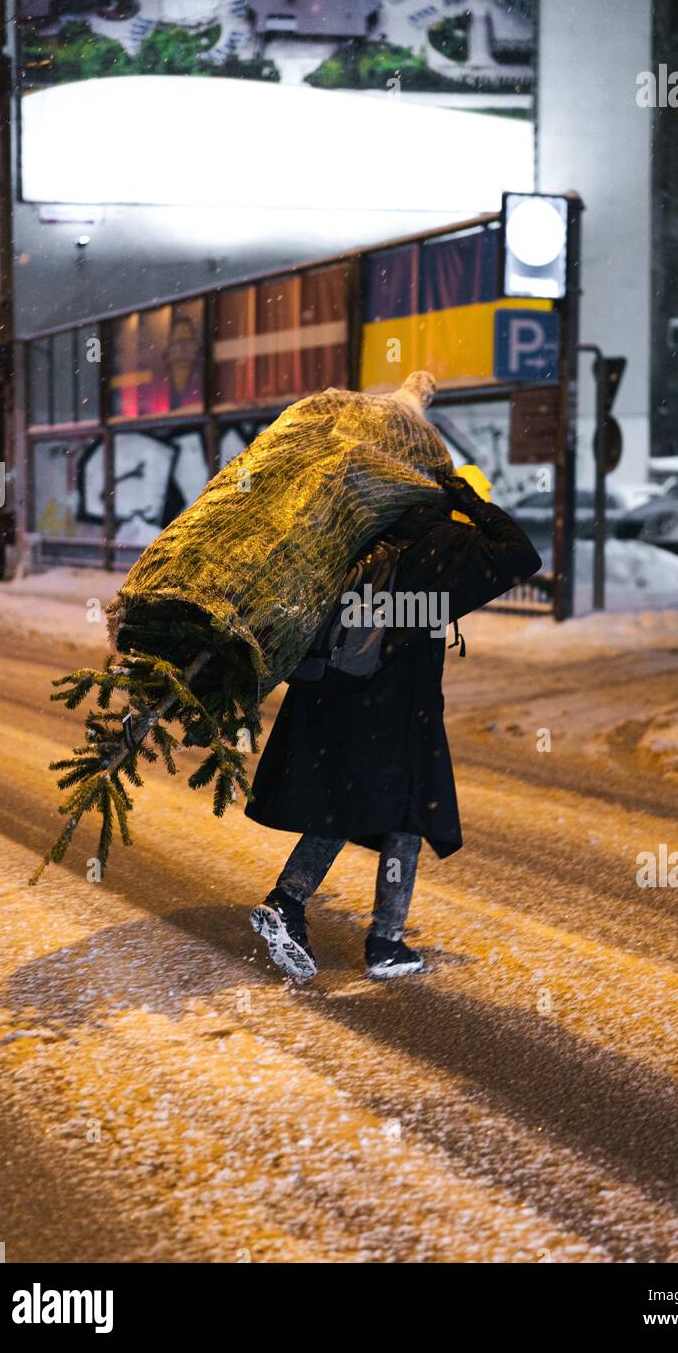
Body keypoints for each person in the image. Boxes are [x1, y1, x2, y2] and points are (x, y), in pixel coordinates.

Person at [247, 388, 541, 982]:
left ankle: (295, 902)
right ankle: (378, 941)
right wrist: (474, 504)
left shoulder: (365, 535)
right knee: (404, 812)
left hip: (336, 691)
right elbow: (522, 555)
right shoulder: (449, 546)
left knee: (348, 804)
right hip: (397, 705)